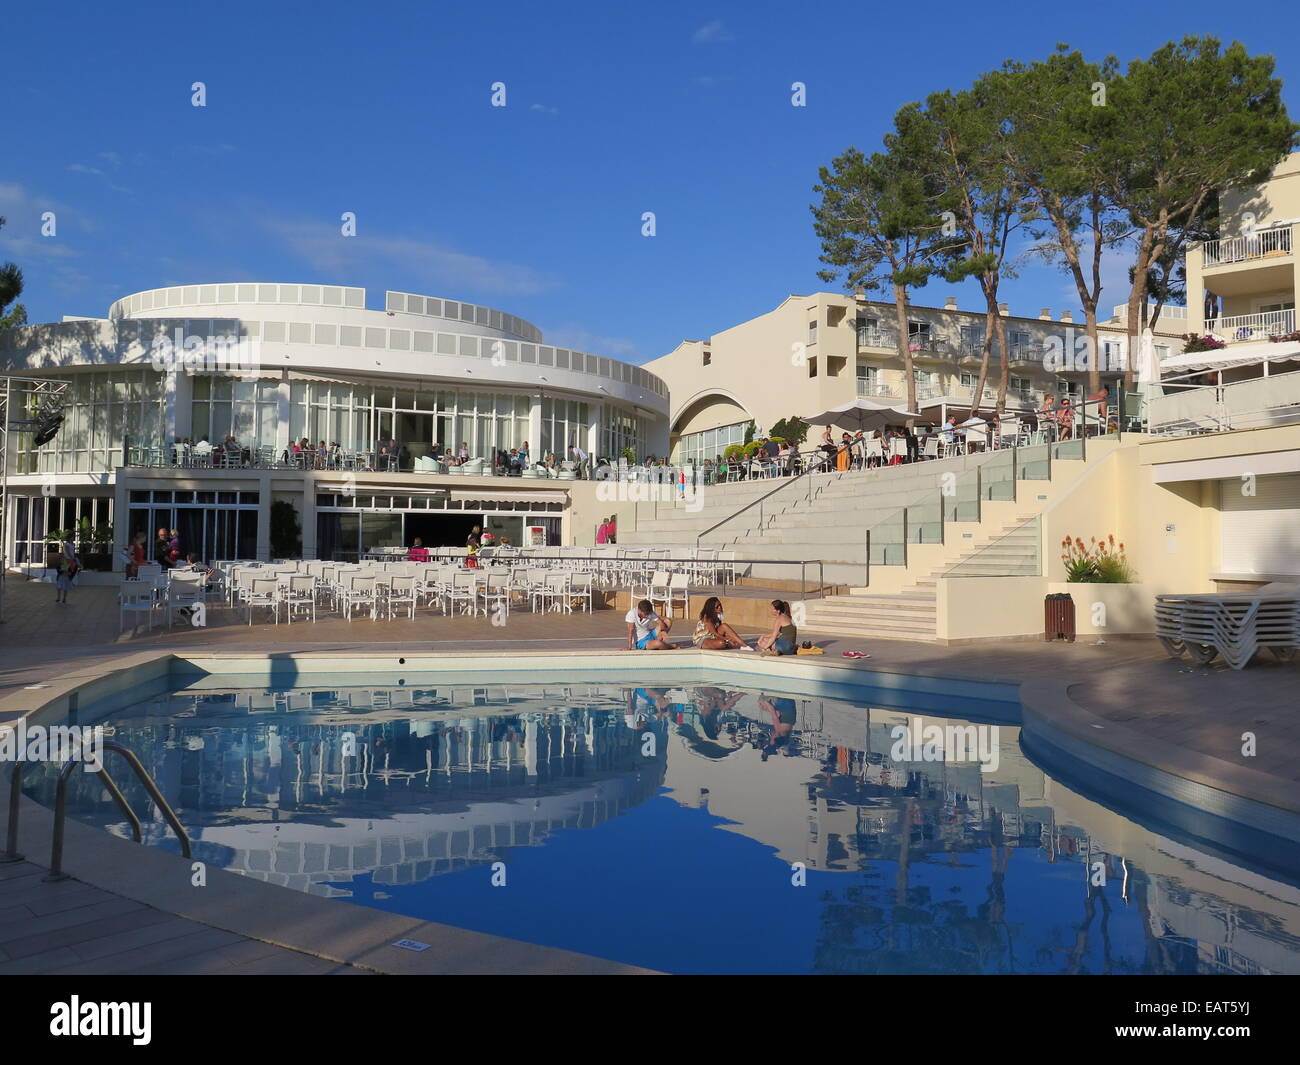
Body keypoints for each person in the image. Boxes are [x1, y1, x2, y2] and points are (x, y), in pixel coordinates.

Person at [54, 533, 79, 604]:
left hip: (70, 560)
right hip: (67, 560)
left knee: (67, 578)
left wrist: (73, 558)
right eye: (72, 537)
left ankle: (64, 598)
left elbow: (72, 552)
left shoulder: (72, 544)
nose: (73, 538)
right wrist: (71, 558)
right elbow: (67, 552)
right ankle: (59, 597)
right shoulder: (66, 544)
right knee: (62, 577)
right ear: (69, 537)